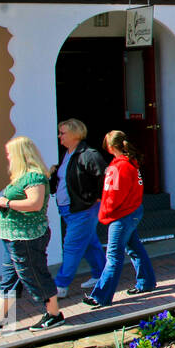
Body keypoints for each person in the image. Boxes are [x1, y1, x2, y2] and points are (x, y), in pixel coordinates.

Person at [0, 136, 65, 333]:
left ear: (20, 154)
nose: (8, 157)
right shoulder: (21, 176)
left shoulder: (34, 176)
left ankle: (54, 314)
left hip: (27, 237)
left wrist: (6, 203)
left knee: (34, 274)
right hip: (13, 237)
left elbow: (34, 204)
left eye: (10, 153)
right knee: (10, 278)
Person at [84, 131, 156, 308]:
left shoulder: (119, 166)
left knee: (113, 255)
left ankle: (101, 296)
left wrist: (105, 212)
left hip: (122, 214)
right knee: (134, 247)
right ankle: (145, 282)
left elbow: (114, 194)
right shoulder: (130, 163)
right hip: (132, 211)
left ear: (109, 147)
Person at [49, 119, 107, 298]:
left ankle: (61, 285)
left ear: (75, 134)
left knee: (71, 245)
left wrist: (96, 198)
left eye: (62, 133)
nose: (59, 136)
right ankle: (102, 274)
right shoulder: (68, 154)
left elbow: (104, 176)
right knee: (90, 243)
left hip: (84, 209)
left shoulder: (88, 154)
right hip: (69, 209)